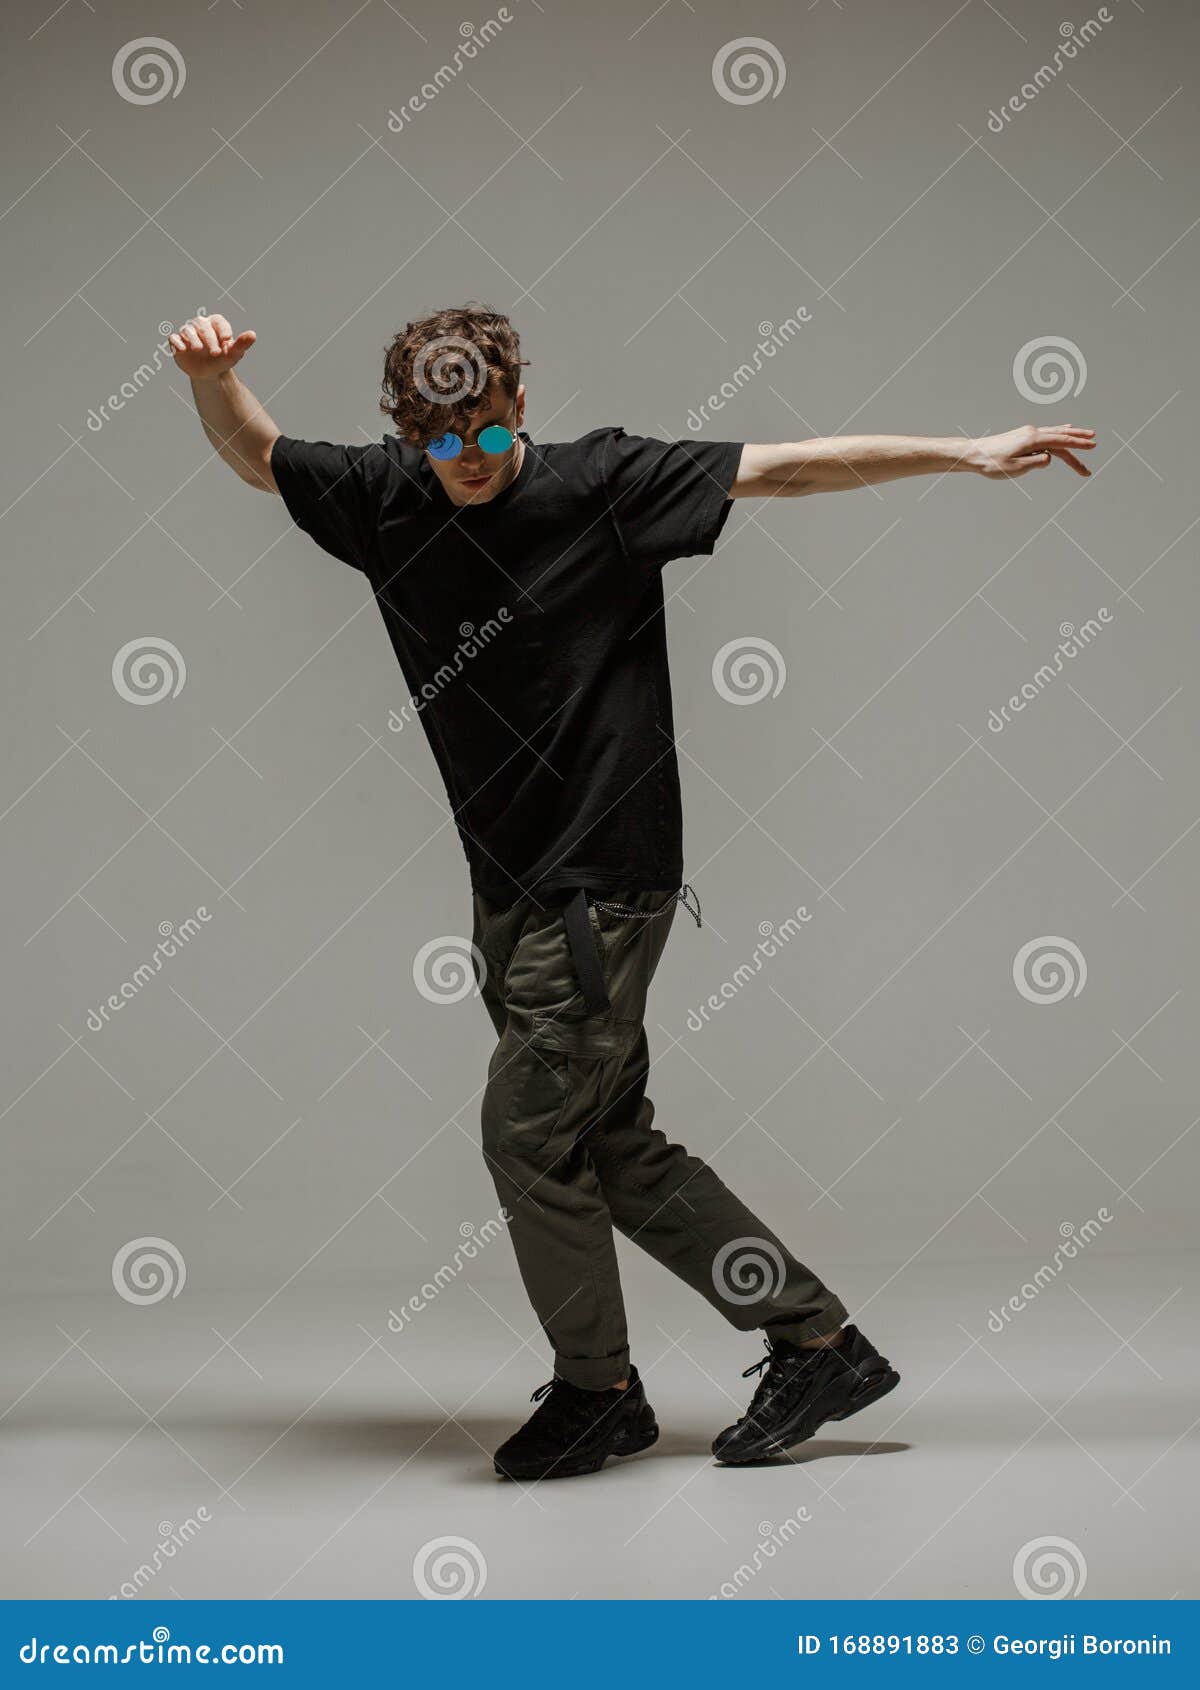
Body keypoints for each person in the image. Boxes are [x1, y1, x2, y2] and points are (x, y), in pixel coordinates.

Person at [170, 303, 1095, 1481]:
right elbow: (260, 455)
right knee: (607, 1144)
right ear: (408, 432)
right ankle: (817, 1341)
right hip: (510, 881)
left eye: (487, 437)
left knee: (527, 1134)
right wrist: (210, 377)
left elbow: (792, 471)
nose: (466, 459)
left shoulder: (598, 483)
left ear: (519, 413)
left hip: (600, 878)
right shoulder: (385, 494)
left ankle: (598, 1391)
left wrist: (964, 449)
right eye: (440, 439)